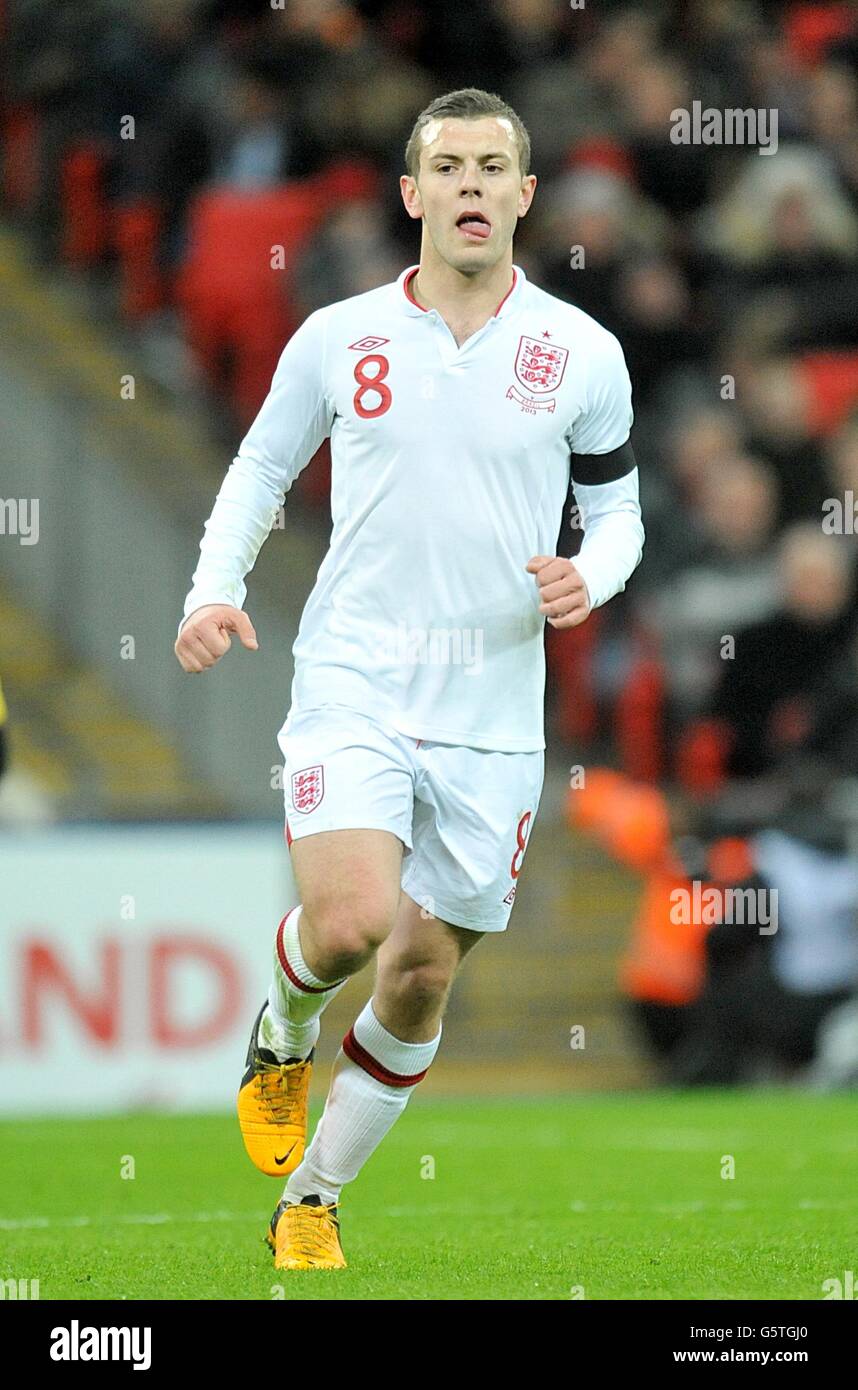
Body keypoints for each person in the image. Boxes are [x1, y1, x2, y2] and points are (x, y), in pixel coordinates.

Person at [174, 87, 645, 1271]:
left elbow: (619, 511)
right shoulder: (339, 336)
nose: (474, 185)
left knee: (423, 972)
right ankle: (283, 1029)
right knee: (350, 924)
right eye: (452, 167)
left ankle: (314, 1198)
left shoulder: (582, 353)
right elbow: (259, 469)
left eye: (496, 167)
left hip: (491, 709)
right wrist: (210, 590)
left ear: (526, 196)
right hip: (358, 676)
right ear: (414, 194)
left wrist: (597, 574)